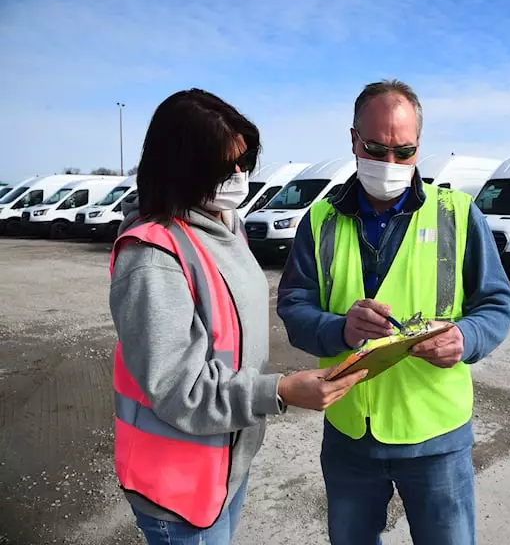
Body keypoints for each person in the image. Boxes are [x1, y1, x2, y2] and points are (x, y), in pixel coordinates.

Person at [108, 88, 367, 545]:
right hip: (178, 482)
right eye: (225, 167)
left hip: (223, 462)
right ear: (183, 167)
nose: (239, 176)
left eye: (245, 163)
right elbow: (178, 388)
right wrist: (280, 390)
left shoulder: (225, 224)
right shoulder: (153, 255)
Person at [276, 79, 510, 544]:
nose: (391, 163)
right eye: (376, 148)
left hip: (436, 437)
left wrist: (465, 338)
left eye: (404, 152)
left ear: (419, 147)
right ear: (353, 140)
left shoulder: (459, 215)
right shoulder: (320, 221)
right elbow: (294, 306)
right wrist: (339, 328)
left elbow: (496, 303)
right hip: (350, 436)